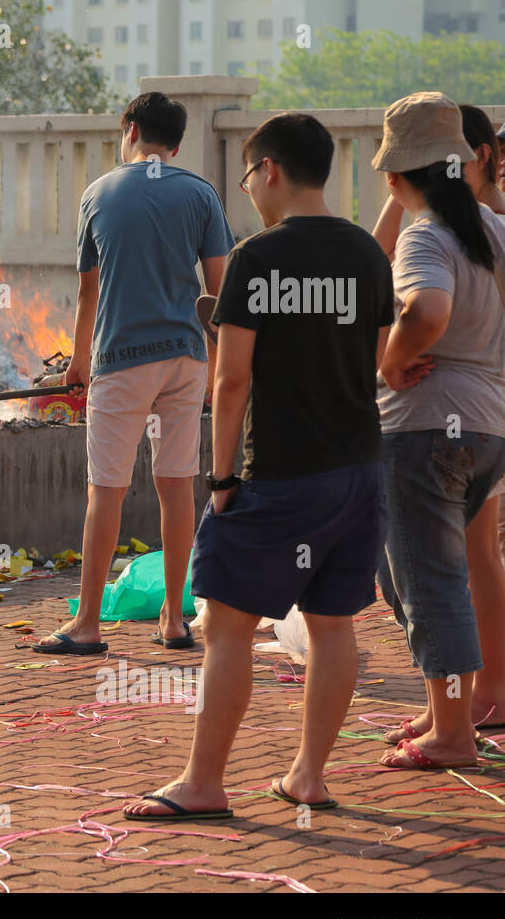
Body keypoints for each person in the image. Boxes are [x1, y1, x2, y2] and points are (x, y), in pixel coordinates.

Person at [121, 113, 393, 821]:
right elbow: (378, 360)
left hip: (282, 471)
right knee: (334, 623)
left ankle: (204, 782)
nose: (248, 190)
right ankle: (307, 775)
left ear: (269, 169)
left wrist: (220, 479)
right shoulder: (368, 253)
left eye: (247, 176)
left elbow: (230, 379)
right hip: (360, 466)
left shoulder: (257, 258)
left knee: (226, 624)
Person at [36, 92, 233, 656]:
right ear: (175, 144)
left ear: (129, 130)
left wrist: (77, 362)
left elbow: (87, 289)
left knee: (107, 492)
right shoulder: (200, 193)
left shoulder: (98, 194)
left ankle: (88, 626)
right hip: (186, 358)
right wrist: (220, 369)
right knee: (176, 488)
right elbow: (217, 290)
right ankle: (176, 619)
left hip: (120, 360)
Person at [371, 93, 505, 770]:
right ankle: (443, 707)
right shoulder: (491, 227)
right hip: (486, 431)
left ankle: (453, 734)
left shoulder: (426, 233)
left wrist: (391, 358)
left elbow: (426, 311)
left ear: (396, 178)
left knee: (429, 580)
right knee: (414, 579)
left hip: (427, 428)